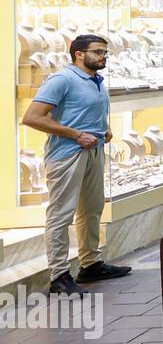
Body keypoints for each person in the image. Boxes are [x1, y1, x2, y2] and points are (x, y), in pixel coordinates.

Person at [21, 33, 130, 295]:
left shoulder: (96, 80)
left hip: (94, 151)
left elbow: (87, 112)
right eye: (98, 52)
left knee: (92, 208)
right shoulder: (62, 79)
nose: (103, 56)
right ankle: (58, 275)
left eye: (105, 52)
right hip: (68, 154)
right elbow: (32, 117)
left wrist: (104, 129)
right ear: (79, 54)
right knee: (61, 214)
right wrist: (76, 135)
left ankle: (90, 264)